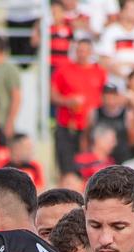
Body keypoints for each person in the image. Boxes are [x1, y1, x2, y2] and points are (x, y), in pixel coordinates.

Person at [51, 37, 107, 175]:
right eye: (79, 50)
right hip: (67, 125)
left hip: (89, 128)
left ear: (91, 52)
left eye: (85, 51)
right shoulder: (63, 70)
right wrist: (67, 101)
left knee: (87, 169)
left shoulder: (99, 72)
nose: (82, 54)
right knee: (66, 167)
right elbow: (53, 95)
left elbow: (104, 98)